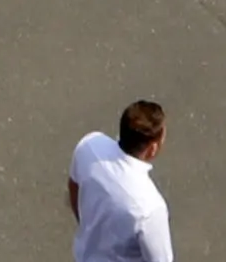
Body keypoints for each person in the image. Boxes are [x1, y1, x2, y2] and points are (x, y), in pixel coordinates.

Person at [66, 103, 171, 262]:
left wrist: (90, 227)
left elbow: (74, 187)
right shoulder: (150, 207)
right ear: (152, 149)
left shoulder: (90, 145)